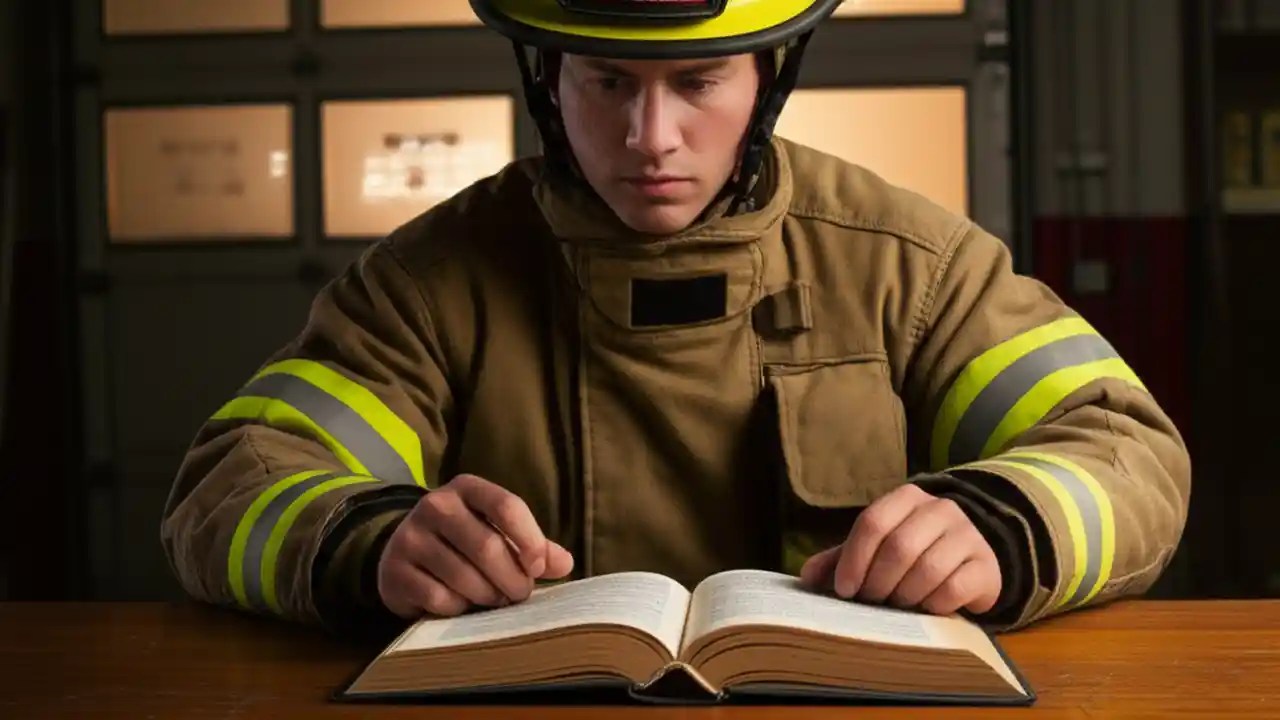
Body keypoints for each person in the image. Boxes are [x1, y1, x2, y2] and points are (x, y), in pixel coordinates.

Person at [161, 0, 1190, 635]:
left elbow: (1124, 449)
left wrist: (1004, 526)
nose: (649, 137)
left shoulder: (906, 265)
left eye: (697, 80)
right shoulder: (427, 285)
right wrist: (366, 540)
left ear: (767, 79)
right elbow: (231, 483)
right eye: (608, 81)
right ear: (548, 80)